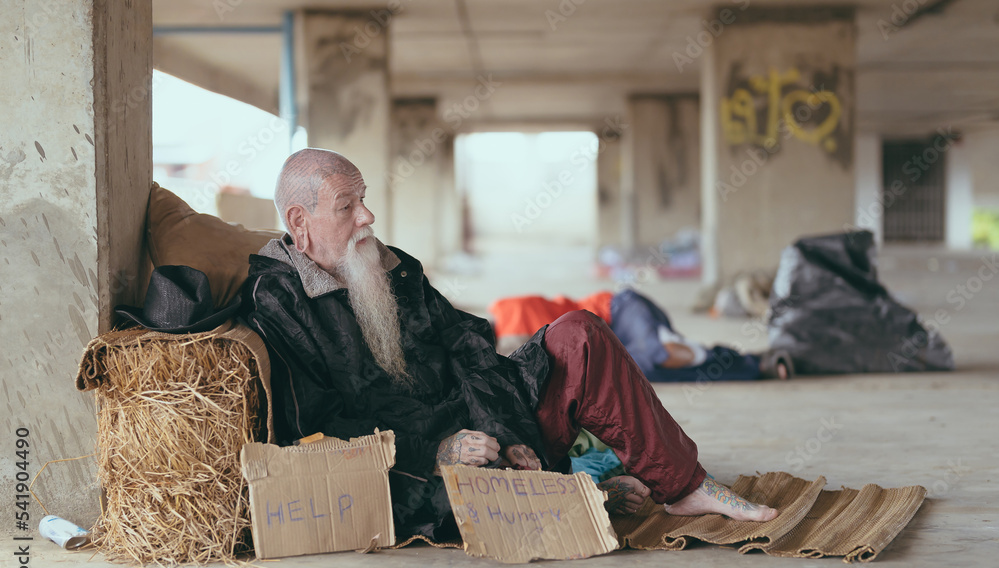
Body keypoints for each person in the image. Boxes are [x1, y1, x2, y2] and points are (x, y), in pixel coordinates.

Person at [242, 148, 778, 543]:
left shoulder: (391, 267)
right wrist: (436, 451)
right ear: (299, 222)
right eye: (347, 206)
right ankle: (578, 497)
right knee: (466, 494)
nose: (368, 217)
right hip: (408, 468)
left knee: (579, 333)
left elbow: (469, 345)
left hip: (485, 421)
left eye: (364, 201)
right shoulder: (279, 300)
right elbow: (313, 426)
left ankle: (682, 485)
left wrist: (507, 429)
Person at [490, 290, 792, 382]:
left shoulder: (504, 313)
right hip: (610, 345)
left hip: (618, 311)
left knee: (661, 354)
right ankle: (755, 364)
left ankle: (750, 362)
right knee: (643, 371)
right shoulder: (503, 342)